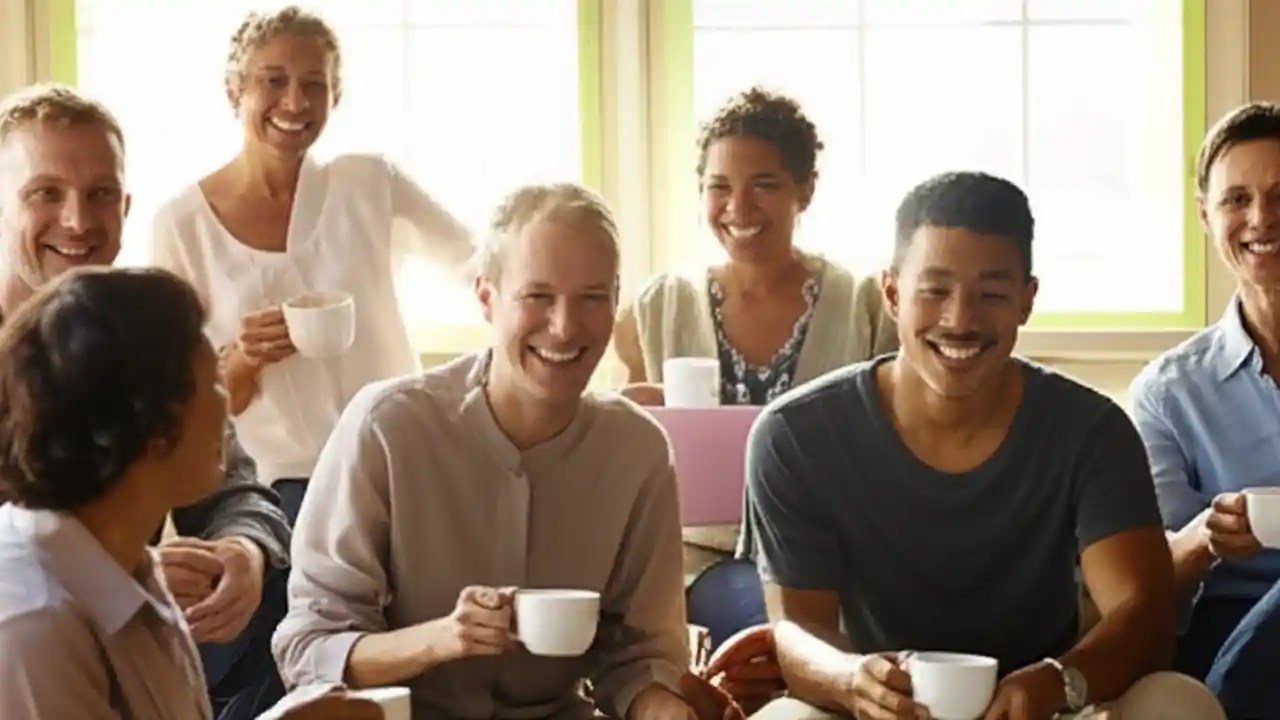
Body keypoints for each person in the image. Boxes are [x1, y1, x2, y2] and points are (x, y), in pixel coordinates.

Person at [741, 171, 1224, 719]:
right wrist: (853, 680)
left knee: (1179, 701)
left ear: (1026, 300)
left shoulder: (1091, 431)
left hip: (1044, 708)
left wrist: (1060, 681)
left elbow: (1144, 616)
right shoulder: (796, 435)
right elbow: (796, 632)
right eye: (935, 291)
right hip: (875, 710)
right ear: (893, 293)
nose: (960, 320)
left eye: (991, 294)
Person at [272, 184, 697, 719]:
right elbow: (311, 647)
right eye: (537, 296)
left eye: (592, 298)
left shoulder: (637, 451)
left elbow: (640, 656)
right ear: (486, 297)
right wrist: (442, 639)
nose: (564, 326)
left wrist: (669, 710)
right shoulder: (389, 427)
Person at [0, 82, 291, 720]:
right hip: (58, 627)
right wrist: (110, 570)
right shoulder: (32, 621)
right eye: (45, 193)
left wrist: (242, 554)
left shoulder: (136, 341)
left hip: (129, 610)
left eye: (101, 195)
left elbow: (238, 492)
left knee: (281, 586)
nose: (78, 221)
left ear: (126, 206)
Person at [151, 5, 474, 524]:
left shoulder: (370, 183)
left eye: (315, 84)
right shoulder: (181, 225)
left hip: (390, 451)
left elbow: (479, 265)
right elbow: (196, 408)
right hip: (277, 478)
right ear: (234, 90)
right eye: (273, 81)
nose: (295, 102)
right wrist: (245, 358)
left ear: (336, 95)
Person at [613, 87, 898, 659]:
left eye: (763, 185)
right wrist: (632, 414)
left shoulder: (865, 307)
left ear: (805, 190)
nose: (738, 208)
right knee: (764, 622)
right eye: (719, 188)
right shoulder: (656, 308)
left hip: (831, 554)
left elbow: (899, 443)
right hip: (705, 559)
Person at [0, 267, 224, 718]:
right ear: (155, 421)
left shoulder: (129, 566)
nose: (227, 404)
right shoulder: (35, 626)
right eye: (214, 381)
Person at [1129, 101, 1280, 719]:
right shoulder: (1167, 394)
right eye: (1237, 199)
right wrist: (1207, 539)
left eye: (1279, 193)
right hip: (1229, 640)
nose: (1262, 218)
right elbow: (1140, 580)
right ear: (1206, 216)